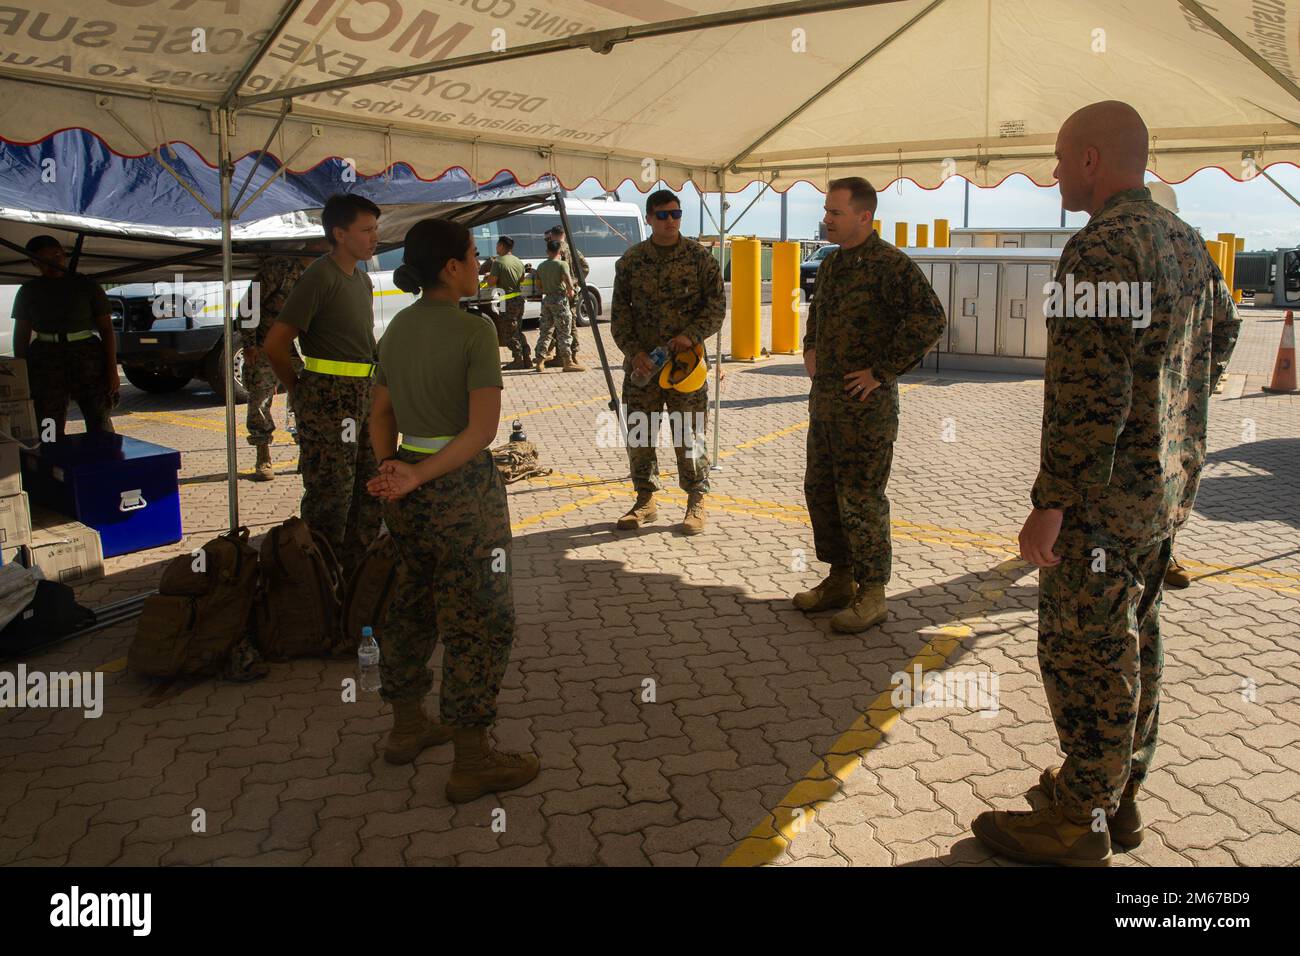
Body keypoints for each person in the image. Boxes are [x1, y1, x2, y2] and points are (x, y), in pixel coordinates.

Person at [972, 101, 1241, 866]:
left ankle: (1079, 818)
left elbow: (1091, 398)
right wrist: (1174, 419)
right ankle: (1117, 800)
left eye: (1060, 159)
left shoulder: (1102, 250)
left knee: (1085, 653)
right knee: (1137, 641)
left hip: (1099, 506)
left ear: (1092, 159)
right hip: (1160, 496)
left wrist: (1049, 506)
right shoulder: (1185, 242)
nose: (1053, 174)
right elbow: (1222, 334)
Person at [366, 217, 539, 801]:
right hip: (460, 493)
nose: (479, 264)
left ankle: (407, 727)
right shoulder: (475, 330)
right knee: (480, 623)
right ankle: (472, 760)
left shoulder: (398, 328)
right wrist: (415, 472)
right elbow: (481, 432)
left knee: (413, 606)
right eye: (472, 254)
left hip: (409, 496)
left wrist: (394, 469)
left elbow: (380, 416)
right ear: (450, 267)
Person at [793, 177, 945, 632]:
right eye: (826, 210)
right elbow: (818, 312)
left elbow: (930, 319)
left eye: (835, 212)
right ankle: (839, 579)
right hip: (826, 407)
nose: (826, 219)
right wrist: (810, 347)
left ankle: (873, 592)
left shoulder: (891, 265)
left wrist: (882, 370)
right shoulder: (836, 263)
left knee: (861, 499)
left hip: (866, 410)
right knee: (821, 491)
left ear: (864, 216)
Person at [263, 194, 383, 582]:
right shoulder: (320, 275)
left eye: (375, 229)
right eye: (366, 230)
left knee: (367, 491)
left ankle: (354, 578)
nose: (374, 238)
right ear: (339, 233)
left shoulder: (361, 279)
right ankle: (315, 586)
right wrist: (299, 389)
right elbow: (276, 344)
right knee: (332, 495)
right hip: (330, 399)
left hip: (362, 395)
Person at [610, 189, 725, 535]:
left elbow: (716, 307)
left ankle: (696, 499)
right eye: (662, 215)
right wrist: (634, 353)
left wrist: (691, 334)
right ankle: (645, 499)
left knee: (689, 434)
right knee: (640, 432)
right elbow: (619, 317)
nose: (670, 221)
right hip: (644, 368)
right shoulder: (630, 262)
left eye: (676, 214)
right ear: (649, 219)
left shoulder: (699, 258)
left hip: (685, 367)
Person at [10, 236, 118, 440]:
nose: (53, 262)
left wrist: (112, 369)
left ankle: (105, 463)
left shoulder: (86, 285)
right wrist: (21, 373)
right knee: (48, 422)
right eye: (43, 259)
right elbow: (21, 334)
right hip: (46, 359)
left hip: (87, 357)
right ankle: (51, 461)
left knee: (98, 417)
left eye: (56, 255)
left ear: (64, 254)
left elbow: (106, 329)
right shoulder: (29, 291)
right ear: (34, 263)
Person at [240, 248, 320, 480]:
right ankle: (262, 454)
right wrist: (249, 343)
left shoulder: (321, 274)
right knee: (261, 397)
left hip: (296, 345)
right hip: (265, 342)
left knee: (302, 396)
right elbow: (249, 305)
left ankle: (305, 452)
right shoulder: (278, 269)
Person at [532, 241, 585, 373]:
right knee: (564, 331)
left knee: (545, 331)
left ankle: (539, 361)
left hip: (547, 300)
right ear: (560, 251)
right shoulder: (562, 264)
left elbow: (539, 286)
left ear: (547, 251)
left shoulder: (541, 266)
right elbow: (567, 280)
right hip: (559, 300)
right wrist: (571, 290)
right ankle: (567, 362)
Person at [542, 224, 589, 366]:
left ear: (553, 235)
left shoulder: (555, 249)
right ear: (564, 234)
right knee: (571, 324)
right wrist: (575, 283)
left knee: (559, 325)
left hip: (559, 293)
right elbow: (585, 267)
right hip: (572, 292)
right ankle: (572, 354)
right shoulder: (573, 250)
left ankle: (562, 356)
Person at [486, 236, 531, 370]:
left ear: (501, 246)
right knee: (518, 329)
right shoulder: (518, 261)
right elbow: (522, 279)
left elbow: (491, 282)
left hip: (506, 300)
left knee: (509, 331)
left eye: (497, 245)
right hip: (519, 299)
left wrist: (489, 276)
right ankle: (526, 357)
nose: (496, 248)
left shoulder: (498, 262)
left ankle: (518, 359)